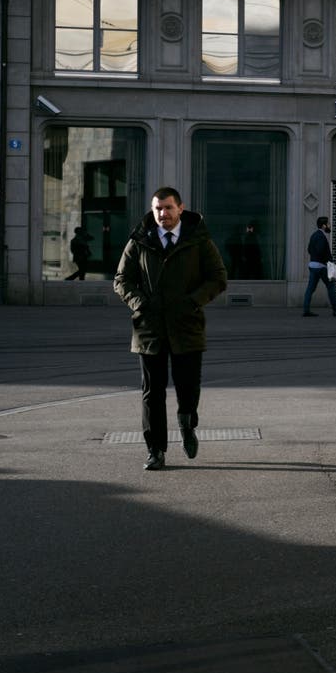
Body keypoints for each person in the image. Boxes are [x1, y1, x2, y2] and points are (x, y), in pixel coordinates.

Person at [113, 186, 228, 471]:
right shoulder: (140, 240)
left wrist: (193, 301)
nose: (162, 214)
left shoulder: (198, 240)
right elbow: (121, 279)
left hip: (186, 325)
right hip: (149, 328)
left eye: (167, 208)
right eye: (157, 209)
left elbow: (218, 277)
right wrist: (139, 302)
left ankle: (187, 424)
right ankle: (156, 450)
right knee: (152, 392)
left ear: (180, 208)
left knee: (188, 388)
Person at [303, 216, 336, 318]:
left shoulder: (314, 235)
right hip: (321, 266)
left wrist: (315, 257)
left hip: (313, 265)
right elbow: (320, 251)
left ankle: (306, 310)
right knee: (331, 286)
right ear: (323, 225)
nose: (329, 225)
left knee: (310, 288)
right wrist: (327, 261)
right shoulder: (321, 236)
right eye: (328, 224)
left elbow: (309, 249)